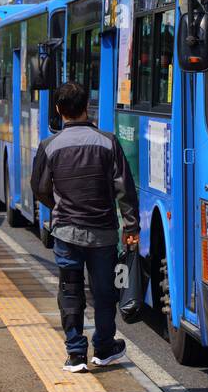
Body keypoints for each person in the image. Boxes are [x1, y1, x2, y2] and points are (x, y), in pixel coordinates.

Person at [31, 82, 139, 374]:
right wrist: (131, 226)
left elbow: (39, 188)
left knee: (70, 290)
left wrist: (60, 208)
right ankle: (104, 347)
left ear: (58, 110)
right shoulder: (108, 142)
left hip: (66, 231)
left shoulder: (48, 146)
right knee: (105, 292)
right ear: (87, 107)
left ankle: (75, 353)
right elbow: (125, 190)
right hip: (103, 232)